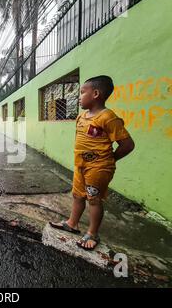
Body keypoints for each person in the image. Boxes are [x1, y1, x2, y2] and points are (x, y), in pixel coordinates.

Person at [50, 75, 135, 250]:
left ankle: (92, 233)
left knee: (94, 200)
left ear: (95, 94)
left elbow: (128, 144)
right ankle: (72, 224)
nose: (79, 96)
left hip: (99, 168)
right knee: (77, 195)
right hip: (80, 165)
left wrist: (109, 160)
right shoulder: (81, 117)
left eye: (82, 92)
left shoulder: (108, 117)